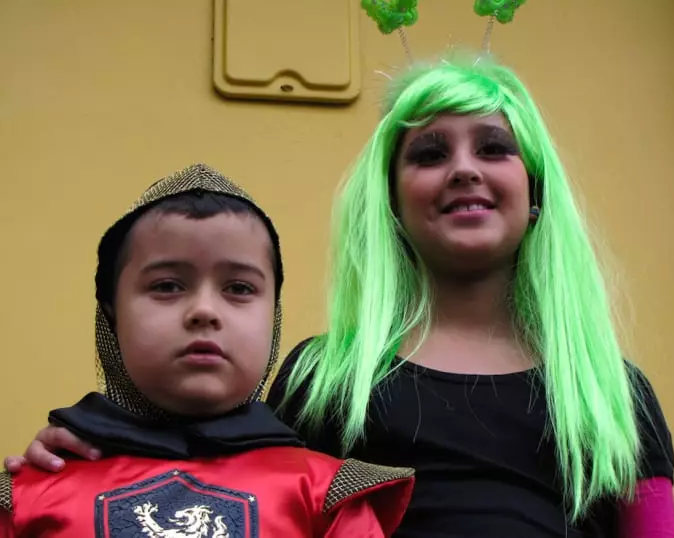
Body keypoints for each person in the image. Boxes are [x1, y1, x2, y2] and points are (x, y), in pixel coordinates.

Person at [5, 57, 674, 537]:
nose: (464, 167)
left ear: (536, 195)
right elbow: (222, 497)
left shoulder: (610, 390)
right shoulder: (324, 376)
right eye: (429, 153)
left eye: (494, 147)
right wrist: (86, 457)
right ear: (390, 202)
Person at [0, 164, 414, 537]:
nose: (203, 310)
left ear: (273, 315)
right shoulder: (27, 498)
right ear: (112, 315)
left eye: (238, 288)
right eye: (166, 286)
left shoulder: (325, 497)